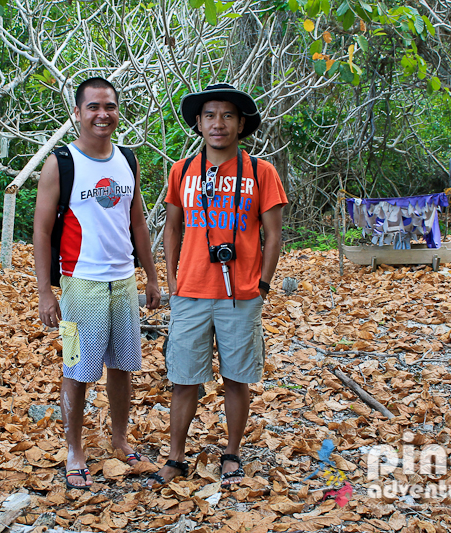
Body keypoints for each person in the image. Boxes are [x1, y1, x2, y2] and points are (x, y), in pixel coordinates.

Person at [148, 83, 287, 489]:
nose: (218, 123)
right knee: (184, 377)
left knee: (236, 377)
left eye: (227, 115)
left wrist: (261, 285)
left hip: (240, 293)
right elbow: (172, 228)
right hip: (191, 292)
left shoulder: (262, 172)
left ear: (242, 123)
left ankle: (232, 453)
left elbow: (273, 235)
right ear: (198, 122)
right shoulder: (183, 170)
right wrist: (173, 281)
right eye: (209, 115)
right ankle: (175, 457)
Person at [33, 77, 161, 490]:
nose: (102, 114)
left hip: (122, 283)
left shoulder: (128, 159)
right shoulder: (61, 163)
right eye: (93, 107)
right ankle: (75, 451)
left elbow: (137, 222)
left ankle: (120, 440)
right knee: (76, 368)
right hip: (78, 286)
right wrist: (44, 291)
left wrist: (152, 276)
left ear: (117, 110)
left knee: (122, 367)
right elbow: (40, 231)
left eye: (109, 106)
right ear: (77, 113)